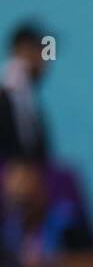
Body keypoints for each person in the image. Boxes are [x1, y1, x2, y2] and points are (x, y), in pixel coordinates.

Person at [0, 23, 52, 162]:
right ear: (23, 49)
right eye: (44, 51)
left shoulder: (28, 102)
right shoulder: (8, 98)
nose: (46, 61)